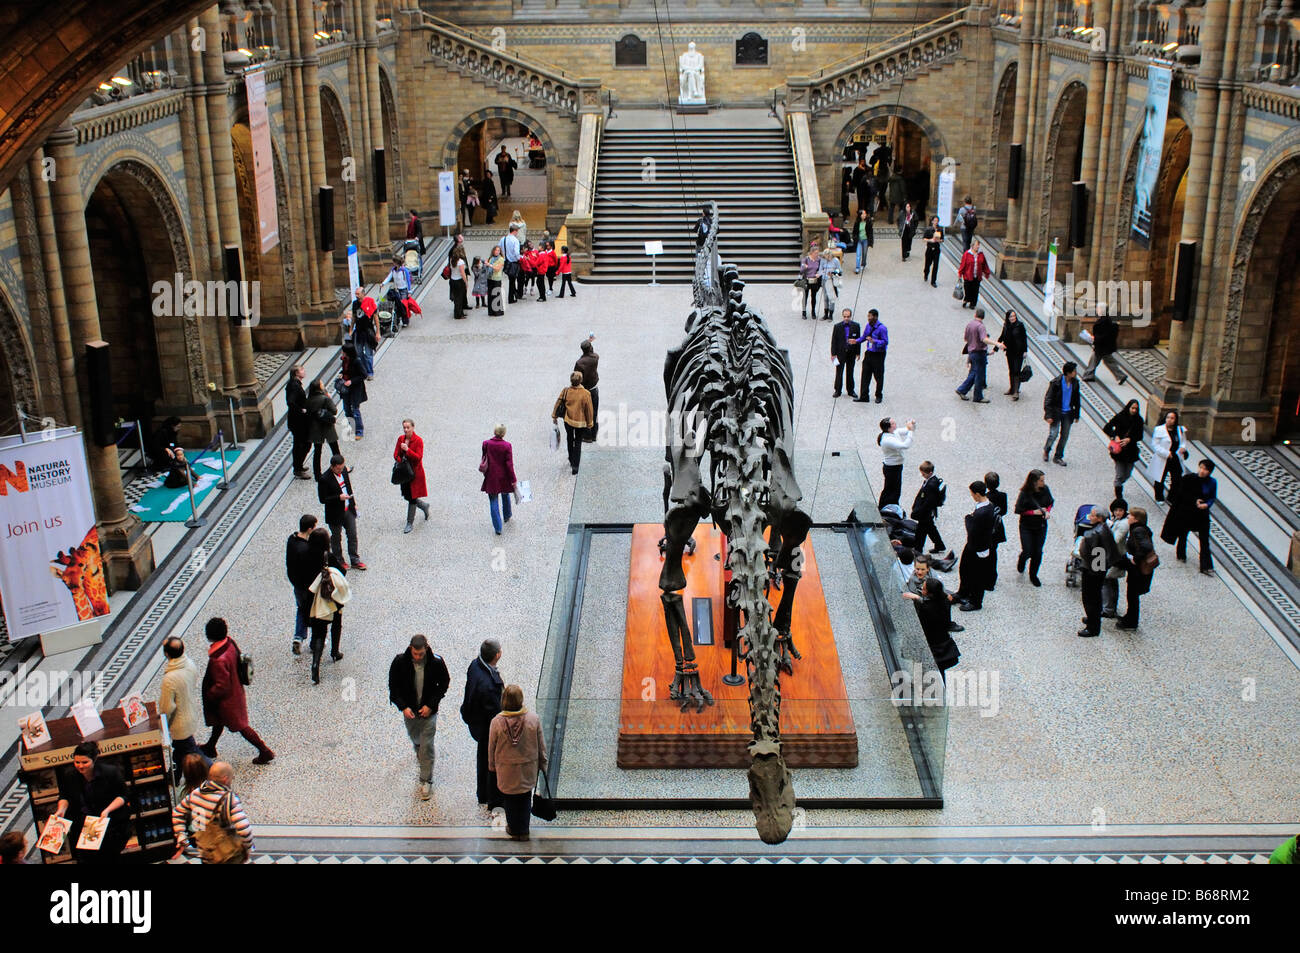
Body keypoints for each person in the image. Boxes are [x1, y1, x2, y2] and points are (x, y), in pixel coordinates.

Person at [200, 617, 275, 764]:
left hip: (226, 701)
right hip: (235, 692)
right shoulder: (229, 643)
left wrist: (210, 694)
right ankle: (210, 746)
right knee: (219, 721)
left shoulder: (217, 659)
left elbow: (221, 685)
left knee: (241, 726)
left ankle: (264, 751)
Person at [388, 634, 451, 801]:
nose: (418, 657)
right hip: (410, 711)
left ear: (426, 649)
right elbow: (393, 688)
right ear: (411, 650)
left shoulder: (436, 662)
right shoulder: (399, 663)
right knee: (416, 739)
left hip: (429, 712)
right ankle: (419, 751)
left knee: (427, 745)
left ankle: (426, 780)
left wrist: (431, 705)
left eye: (421, 654)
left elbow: (444, 683)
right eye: (415, 654)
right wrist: (403, 707)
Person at [53, 740, 130, 863]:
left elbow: (123, 795)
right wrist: (61, 809)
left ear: (94, 760)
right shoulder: (70, 775)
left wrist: (107, 810)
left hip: (109, 826)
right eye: (77, 762)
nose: (80, 766)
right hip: (83, 826)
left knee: (109, 858)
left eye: (85, 762)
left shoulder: (110, 772)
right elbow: (64, 796)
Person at [488, 685, 548, 840]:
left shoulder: (497, 722)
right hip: (527, 767)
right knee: (525, 797)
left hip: (506, 769)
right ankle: (524, 828)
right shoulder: (533, 719)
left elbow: (492, 747)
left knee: (510, 798)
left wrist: (492, 766)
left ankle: (514, 828)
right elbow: (541, 745)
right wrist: (543, 764)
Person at [171, 761, 254, 864]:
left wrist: (181, 835)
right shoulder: (228, 799)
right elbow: (244, 829)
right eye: (232, 778)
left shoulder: (195, 794)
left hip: (207, 854)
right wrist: (247, 848)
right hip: (227, 855)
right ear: (225, 779)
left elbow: (177, 813)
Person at [461, 638, 505, 812]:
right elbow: (495, 713)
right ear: (497, 655)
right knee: (491, 762)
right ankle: (489, 796)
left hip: (477, 722)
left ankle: (483, 794)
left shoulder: (475, 665)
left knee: (483, 758)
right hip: (487, 728)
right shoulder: (489, 685)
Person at [304, 526, 348, 684]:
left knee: (318, 633)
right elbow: (342, 572)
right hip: (330, 596)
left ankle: (315, 663)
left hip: (313, 598)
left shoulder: (305, 554)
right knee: (336, 622)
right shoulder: (328, 556)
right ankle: (335, 652)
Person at [159, 636, 206, 773]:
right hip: (190, 713)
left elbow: (167, 708)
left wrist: (162, 724)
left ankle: (210, 770)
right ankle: (176, 773)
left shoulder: (170, 679)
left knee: (190, 750)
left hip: (179, 723)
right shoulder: (190, 664)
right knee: (180, 751)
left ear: (166, 654)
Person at [1161, 459, 1217, 575]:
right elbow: (1181, 494)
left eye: (1205, 469)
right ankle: (1181, 554)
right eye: (1201, 467)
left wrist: (1207, 505)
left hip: (1202, 514)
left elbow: (1212, 497)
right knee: (1183, 534)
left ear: (1210, 471)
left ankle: (1206, 565)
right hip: (1188, 512)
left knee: (1205, 540)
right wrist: (1194, 501)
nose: (1202, 471)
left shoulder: (1212, 482)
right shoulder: (1189, 478)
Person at [1076, 507, 1119, 637]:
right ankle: (1093, 618)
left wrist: (1092, 569)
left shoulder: (1092, 534)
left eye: (1093, 515)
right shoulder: (1106, 529)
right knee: (1096, 597)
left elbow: (1086, 553)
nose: (1090, 516)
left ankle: (1093, 627)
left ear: (1099, 518)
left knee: (1090, 598)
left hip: (1092, 570)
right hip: (1099, 567)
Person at [956, 481, 998, 612]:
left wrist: (968, 518)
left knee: (976, 575)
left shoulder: (982, 513)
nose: (972, 496)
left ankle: (976, 601)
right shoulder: (988, 505)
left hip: (978, 547)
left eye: (972, 493)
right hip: (975, 545)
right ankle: (963, 592)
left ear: (977, 494)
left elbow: (972, 529)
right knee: (965, 569)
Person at [318, 453, 365, 570]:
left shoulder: (343, 471)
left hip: (348, 509)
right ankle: (339, 560)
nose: (341, 470)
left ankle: (354, 559)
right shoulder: (324, 479)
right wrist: (338, 497)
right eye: (338, 468)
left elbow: (349, 488)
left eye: (342, 467)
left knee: (352, 535)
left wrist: (353, 504)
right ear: (332, 467)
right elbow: (323, 499)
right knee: (336, 537)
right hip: (335, 513)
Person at [914, 577, 962, 678]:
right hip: (943, 641)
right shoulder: (945, 602)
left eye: (924, 588)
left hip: (933, 645)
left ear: (929, 593)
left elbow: (922, 626)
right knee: (940, 673)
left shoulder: (925, 608)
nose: (922, 588)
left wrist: (917, 599)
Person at [1014, 469, 1053, 587]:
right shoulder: (1025, 493)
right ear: (1034, 482)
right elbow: (1018, 510)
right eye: (1041, 480)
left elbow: (1050, 502)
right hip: (1026, 525)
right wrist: (1033, 512)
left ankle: (1033, 575)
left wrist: (1047, 512)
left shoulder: (1045, 490)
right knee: (1027, 549)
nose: (1043, 482)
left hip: (1041, 525)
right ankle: (1022, 558)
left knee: (1037, 552)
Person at [285, 513, 317, 655]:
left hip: (296, 583)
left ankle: (298, 636)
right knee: (314, 611)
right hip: (307, 585)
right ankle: (314, 642)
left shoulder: (291, 540)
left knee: (301, 609)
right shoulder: (306, 549)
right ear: (310, 529)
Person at [552, 370, 595, 476]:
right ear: (581, 380)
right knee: (578, 442)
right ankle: (575, 466)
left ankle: (571, 459)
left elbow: (558, 402)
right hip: (580, 423)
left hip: (568, 421)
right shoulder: (586, 394)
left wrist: (554, 416)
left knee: (569, 439)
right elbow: (589, 410)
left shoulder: (566, 391)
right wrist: (590, 423)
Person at [480, 423, 519, 535]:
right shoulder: (507, 446)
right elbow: (509, 465)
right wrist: (513, 479)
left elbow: (484, 458)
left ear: (494, 432)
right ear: (504, 433)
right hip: (504, 476)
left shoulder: (486, 444)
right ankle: (507, 515)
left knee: (493, 500)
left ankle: (498, 527)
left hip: (491, 476)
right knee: (505, 494)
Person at [394, 418, 431, 533]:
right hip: (404, 472)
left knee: (412, 498)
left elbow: (418, 457)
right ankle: (424, 506)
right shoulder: (401, 439)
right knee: (407, 496)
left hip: (414, 473)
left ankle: (409, 522)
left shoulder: (418, 441)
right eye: (404, 427)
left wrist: (408, 450)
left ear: (413, 427)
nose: (406, 430)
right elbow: (396, 454)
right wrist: (400, 460)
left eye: (408, 427)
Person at [955, 307, 999, 403]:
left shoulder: (970, 324)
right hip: (979, 353)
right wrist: (996, 343)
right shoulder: (981, 327)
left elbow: (966, 338)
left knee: (974, 372)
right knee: (979, 374)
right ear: (983, 317)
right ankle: (977, 396)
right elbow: (984, 339)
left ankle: (962, 390)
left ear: (975, 315)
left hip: (971, 352)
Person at [1103, 399, 1144, 500]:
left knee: (1127, 474)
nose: (1134, 410)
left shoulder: (1139, 420)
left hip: (1131, 450)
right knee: (1120, 473)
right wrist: (1115, 436)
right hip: (1119, 451)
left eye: (1136, 409)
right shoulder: (1120, 417)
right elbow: (1107, 427)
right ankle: (1118, 493)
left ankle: (1118, 483)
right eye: (1132, 408)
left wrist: (1130, 439)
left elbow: (1140, 435)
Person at [1043, 361, 1081, 465]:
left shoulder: (1075, 383)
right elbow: (1048, 399)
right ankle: (1047, 449)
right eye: (1074, 371)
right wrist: (1048, 415)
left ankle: (1058, 456)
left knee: (1065, 436)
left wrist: (1077, 414)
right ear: (1068, 373)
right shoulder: (1056, 383)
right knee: (1053, 434)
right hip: (1056, 412)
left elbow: (1077, 399)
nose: (1075, 373)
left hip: (1068, 413)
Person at [1148, 410, 1190, 503]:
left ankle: (1172, 497)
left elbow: (1183, 441)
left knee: (1177, 479)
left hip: (1175, 457)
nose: (1169, 420)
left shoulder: (1180, 430)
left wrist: (1182, 448)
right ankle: (1159, 497)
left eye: (1172, 418)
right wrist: (1166, 453)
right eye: (1168, 418)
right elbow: (1155, 445)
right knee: (1160, 478)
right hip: (1163, 458)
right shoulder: (1159, 430)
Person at [1081, 303, 1127, 385]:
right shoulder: (1109, 321)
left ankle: (1088, 375)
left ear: (1101, 310)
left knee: (1094, 360)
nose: (1096, 310)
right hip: (1107, 346)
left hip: (1101, 346)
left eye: (1097, 308)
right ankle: (1120, 375)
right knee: (1108, 361)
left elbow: (1103, 336)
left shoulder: (1103, 322)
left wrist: (1094, 340)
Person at [911, 460, 949, 556]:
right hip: (928, 513)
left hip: (925, 513)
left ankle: (918, 550)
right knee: (931, 529)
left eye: (923, 474)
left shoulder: (931, 486)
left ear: (930, 473)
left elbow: (928, 502)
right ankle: (939, 545)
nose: (922, 475)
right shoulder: (933, 481)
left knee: (921, 532)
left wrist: (918, 511)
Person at [1100, 497, 1130, 617]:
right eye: (1116, 510)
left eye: (1120, 510)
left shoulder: (1123, 524)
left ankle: (1108, 609)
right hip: (1115, 556)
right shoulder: (1118, 521)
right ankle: (1110, 607)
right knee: (1111, 582)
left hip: (1116, 557)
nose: (1118, 512)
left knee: (1108, 581)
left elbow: (1115, 540)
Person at [877, 417, 914, 510]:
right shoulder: (887, 440)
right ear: (889, 427)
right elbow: (905, 445)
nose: (895, 424)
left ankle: (891, 506)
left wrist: (911, 425)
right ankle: (887, 507)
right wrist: (911, 431)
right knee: (891, 489)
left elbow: (906, 430)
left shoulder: (893, 432)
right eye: (893, 423)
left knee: (894, 488)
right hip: (892, 467)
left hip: (896, 466)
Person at [306, 379, 341, 479]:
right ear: (319, 387)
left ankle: (317, 474)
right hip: (327, 427)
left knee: (317, 451)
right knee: (335, 449)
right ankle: (340, 468)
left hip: (315, 428)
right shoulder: (325, 398)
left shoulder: (309, 399)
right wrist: (328, 397)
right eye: (322, 383)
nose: (323, 384)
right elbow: (334, 411)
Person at [856, 308, 888, 403]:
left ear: (875, 317)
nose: (868, 318)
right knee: (865, 374)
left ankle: (878, 395)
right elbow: (864, 337)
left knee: (878, 375)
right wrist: (856, 341)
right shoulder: (868, 326)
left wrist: (874, 341)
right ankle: (864, 396)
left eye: (870, 316)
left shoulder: (882, 328)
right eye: (868, 316)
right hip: (869, 353)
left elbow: (885, 342)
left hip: (878, 354)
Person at [983, 471, 1008, 591]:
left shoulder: (985, 498)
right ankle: (992, 578)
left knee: (987, 554)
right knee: (994, 553)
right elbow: (1004, 511)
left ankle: (986, 578)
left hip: (988, 529)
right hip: (998, 527)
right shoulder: (1003, 496)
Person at [286, 365, 311, 479]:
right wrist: (301, 410)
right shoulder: (294, 386)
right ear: (296, 373)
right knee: (303, 444)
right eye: (301, 370)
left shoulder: (294, 384)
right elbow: (291, 402)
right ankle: (298, 468)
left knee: (299, 444)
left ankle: (298, 466)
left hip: (297, 420)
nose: (304, 371)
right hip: (298, 421)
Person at [997, 309, 1028, 400]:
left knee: (1016, 371)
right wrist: (996, 348)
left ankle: (1016, 391)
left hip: (1018, 352)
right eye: (1011, 316)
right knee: (1011, 370)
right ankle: (1012, 388)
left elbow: (1024, 338)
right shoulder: (1006, 325)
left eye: (1014, 316)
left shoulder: (1020, 325)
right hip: (1009, 351)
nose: (1013, 318)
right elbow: (1002, 337)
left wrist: (1025, 351)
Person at [831, 307, 861, 399]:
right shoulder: (837, 326)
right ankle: (837, 390)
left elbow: (858, 340)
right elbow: (834, 340)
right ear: (842, 317)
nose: (846, 318)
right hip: (840, 353)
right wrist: (833, 354)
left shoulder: (856, 326)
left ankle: (850, 390)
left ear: (850, 316)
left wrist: (858, 352)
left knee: (850, 371)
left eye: (848, 316)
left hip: (851, 352)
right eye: (845, 316)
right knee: (839, 372)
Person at [339, 344, 366, 440]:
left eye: (343, 351)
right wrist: (341, 374)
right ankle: (352, 426)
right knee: (346, 409)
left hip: (355, 389)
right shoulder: (344, 360)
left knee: (355, 409)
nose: (342, 353)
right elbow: (344, 371)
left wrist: (351, 381)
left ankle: (359, 430)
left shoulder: (356, 361)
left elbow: (363, 375)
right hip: (346, 388)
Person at [575, 337, 600, 442]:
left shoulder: (579, 363)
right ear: (591, 348)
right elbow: (593, 353)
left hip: (584, 390)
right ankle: (594, 434)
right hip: (594, 389)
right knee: (594, 412)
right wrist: (589, 343)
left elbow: (576, 377)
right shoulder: (595, 358)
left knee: (585, 413)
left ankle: (587, 435)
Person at [958, 238, 992, 309]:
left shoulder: (981, 254)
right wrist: (960, 273)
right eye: (977, 245)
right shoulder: (967, 254)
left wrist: (987, 272)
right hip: (968, 275)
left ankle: (973, 304)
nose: (978, 247)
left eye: (979, 245)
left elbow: (984, 264)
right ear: (972, 246)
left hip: (977, 276)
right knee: (967, 289)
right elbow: (963, 264)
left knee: (975, 290)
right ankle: (966, 299)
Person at [352, 289, 377, 376]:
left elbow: (375, 316)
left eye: (358, 294)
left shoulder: (370, 302)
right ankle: (364, 369)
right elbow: (354, 316)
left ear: (363, 294)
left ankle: (370, 372)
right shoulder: (355, 304)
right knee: (358, 352)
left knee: (368, 353)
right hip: (359, 331)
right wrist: (351, 329)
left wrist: (378, 332)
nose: (356, 295)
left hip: (368, 331)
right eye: (356, 294)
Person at [798, 244, 822, 319]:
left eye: (818, 253)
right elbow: (801, 271)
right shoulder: (806, 259)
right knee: (805, 296)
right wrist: (804, 267)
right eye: (815, 253)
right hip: (807, 279)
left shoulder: (819, 260)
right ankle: (804, 312)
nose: (817, 254)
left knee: (814, 296)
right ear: (811, 253)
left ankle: (813, 311)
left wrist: (819, 273)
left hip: (814, 280)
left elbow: (821, 269)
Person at [817, 246, 839, 320]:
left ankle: (831, 314)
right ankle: (825, 314)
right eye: (825, 256)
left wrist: (833, 273)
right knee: (825, 297)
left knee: (831, 298)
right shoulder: (823, 260)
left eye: (827, 256)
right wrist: (819, 274)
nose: (826, 258)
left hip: (831, 280)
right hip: (824, 280)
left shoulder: (835, 260)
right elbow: (820, 269)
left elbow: (840, 270)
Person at [921, 215, 943, 287]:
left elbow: (942, 239)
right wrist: (930, 240)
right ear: (932, 221)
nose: (936, 222)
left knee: (936, 265)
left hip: (936, 249)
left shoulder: (940, 229)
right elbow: (924, 239)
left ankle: (933, 281)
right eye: (935, 221)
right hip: (930, 249)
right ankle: (926, 274)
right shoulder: (928, 229)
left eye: (937, 221)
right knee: (928, 264)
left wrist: (939, 240)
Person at [449, 245, 469, 320]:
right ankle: (458, 314)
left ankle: (458, 312)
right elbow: (462, 273)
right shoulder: (460, 262)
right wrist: (466, 282)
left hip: (453, 280)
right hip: (459, 281)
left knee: (456, 298)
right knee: (460, 298)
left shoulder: (452, 260)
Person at [503, 224, 522, 303]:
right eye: (517, 231)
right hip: (513, 262)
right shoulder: (515, 240)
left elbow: (500, 248)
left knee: (511, 280)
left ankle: (514, 294)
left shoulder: (503, 239)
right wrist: (519, 258)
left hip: (506, 261)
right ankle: (511, 297)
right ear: (514, 231)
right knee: (512, 281)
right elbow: (516, 253)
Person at [486, 245, 507, 315]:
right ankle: (491, 311)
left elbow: (497, 268)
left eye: (498, 250)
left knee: (496, 295)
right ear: (493, 251)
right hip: (490, 277)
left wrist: (489, 265)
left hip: (497, 278)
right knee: (490, 295)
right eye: (496, 250)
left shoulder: (501, 259)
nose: (497, 252)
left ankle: (497, 311)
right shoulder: (491, 258)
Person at [853, 207, 873, 273]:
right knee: (858, 254)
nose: (864, 215)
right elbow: (854, 232)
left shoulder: (868, 222)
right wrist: (855, 238)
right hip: (859, 240)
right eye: (863, 214)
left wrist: (870, 241)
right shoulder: (857, 223)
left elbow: (870, 232)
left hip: (865, 240)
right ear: (860, 215)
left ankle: (863, 264)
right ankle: (857, 267)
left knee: (864, 253)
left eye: (865, 214)